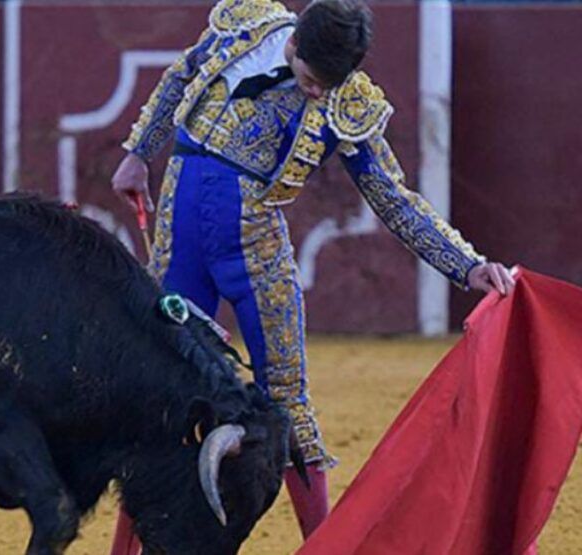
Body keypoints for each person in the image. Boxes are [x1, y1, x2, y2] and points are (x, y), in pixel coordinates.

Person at [108, 0, 515, 549]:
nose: (318, 94)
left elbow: (393, 199)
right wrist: (137, 152)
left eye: (329, 84)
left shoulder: (348, 102)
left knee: (288, 405)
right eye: (310, 80)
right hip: (179, 242)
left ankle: (322, 544)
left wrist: (465, 265)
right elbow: (182, 74)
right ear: (294, 43)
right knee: (155, 401)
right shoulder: (246, 27)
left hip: (254, 254)